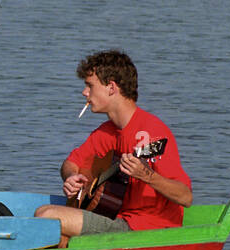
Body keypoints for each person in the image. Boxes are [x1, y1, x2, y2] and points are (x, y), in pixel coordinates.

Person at [34, 50, 191, 238]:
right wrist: (71, 177)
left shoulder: (152, 132)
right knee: (57, 228)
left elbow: (185, 197)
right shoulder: (105, 132)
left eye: (90, 86)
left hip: (147, 227)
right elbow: (71, 163)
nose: (84, 92)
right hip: (118, 219)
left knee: (47, 214)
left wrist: (146, 175)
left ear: (111, 87)